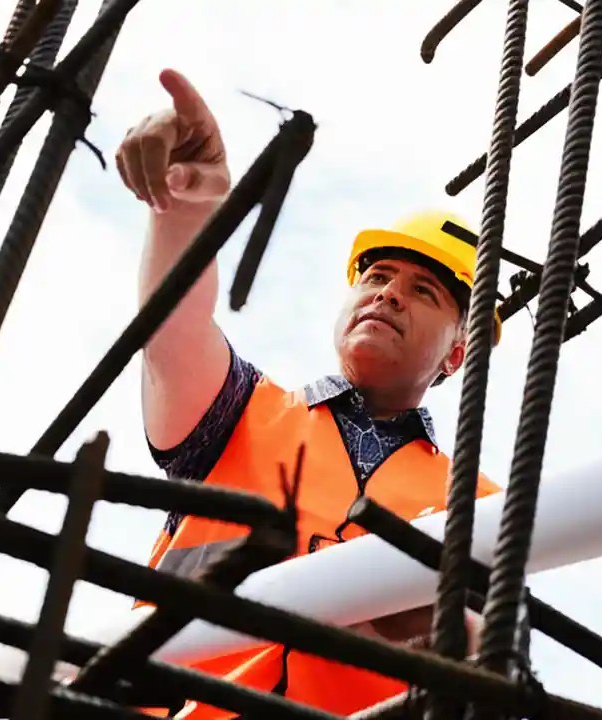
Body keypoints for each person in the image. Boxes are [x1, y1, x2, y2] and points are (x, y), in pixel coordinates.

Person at [117, 68, 502, 719]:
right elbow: (171, 332)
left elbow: (491, 669)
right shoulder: (243, 412)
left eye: (424, 291)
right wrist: (186, 208)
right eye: (377, 277)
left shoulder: (479, 503)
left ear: (458, 352)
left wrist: (438, 633)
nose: (388, 293)